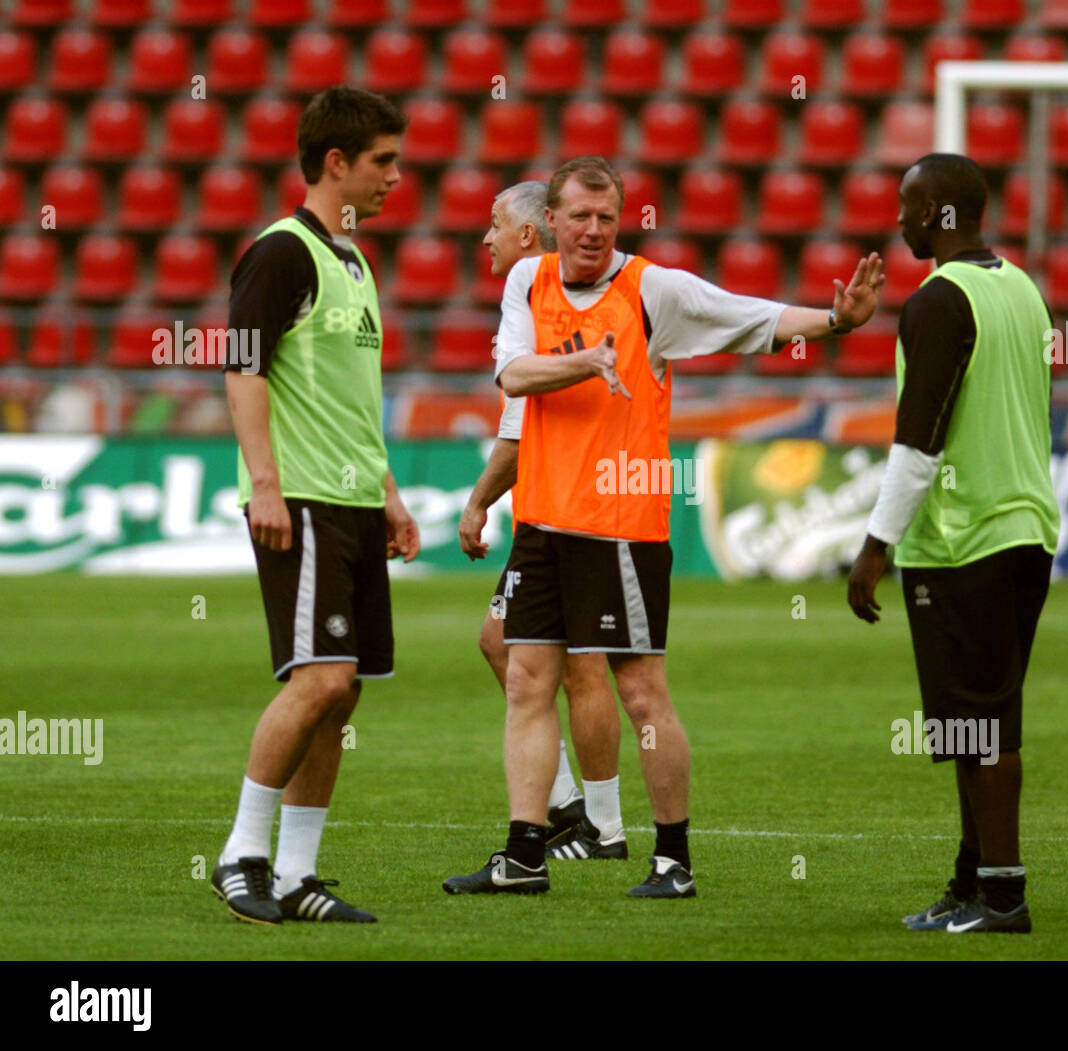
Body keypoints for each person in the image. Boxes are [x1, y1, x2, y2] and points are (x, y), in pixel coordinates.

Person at [444, 155, 885, 898]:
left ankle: (673, 858)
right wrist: (588, 361)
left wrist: (837, 319)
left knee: (642, 690)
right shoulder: (528, 281)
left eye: (606, 217)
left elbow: (755, 316)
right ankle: (524, 853)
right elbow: (514, 376)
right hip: (544, 520)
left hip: (619, 518)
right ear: (549, 221)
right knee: (524, 677)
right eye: (579, 216)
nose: (592, 230)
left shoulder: (656, 291)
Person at [212, 86, 420, 925]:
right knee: (319, 679)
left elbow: (350, 398)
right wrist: (265, 482)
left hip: (354, 501)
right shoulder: (281, 252)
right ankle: (239, 855)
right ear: (335, 162)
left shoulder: (355, 261)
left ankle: (298, 875)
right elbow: (241, 367)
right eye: (383, 161)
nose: (395, 177)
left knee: (346, 691)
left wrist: (391, 495)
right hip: (299, 499)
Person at [847, 153, 1059, 934]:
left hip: (965, 536)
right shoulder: (1022, 288)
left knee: (984, 720)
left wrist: (876, 546)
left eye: (907, 205)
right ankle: (972, 881)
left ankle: (1002, 894)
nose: (898, 218)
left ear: (939, 212)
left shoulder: (939, 300)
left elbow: (919, 439)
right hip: (1026, 524)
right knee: (980, 716)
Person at [458, 180, 628, 860]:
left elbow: (521, 433)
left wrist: (476, 502)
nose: (486, 238)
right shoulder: (529, 298)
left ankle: (604, 826)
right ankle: (567, 806)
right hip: (549, 508)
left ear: (529, 233)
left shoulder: (546, 294)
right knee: (503, 644)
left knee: (582, 666)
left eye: (495, 224)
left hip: (580, 506)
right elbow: (519, 422)